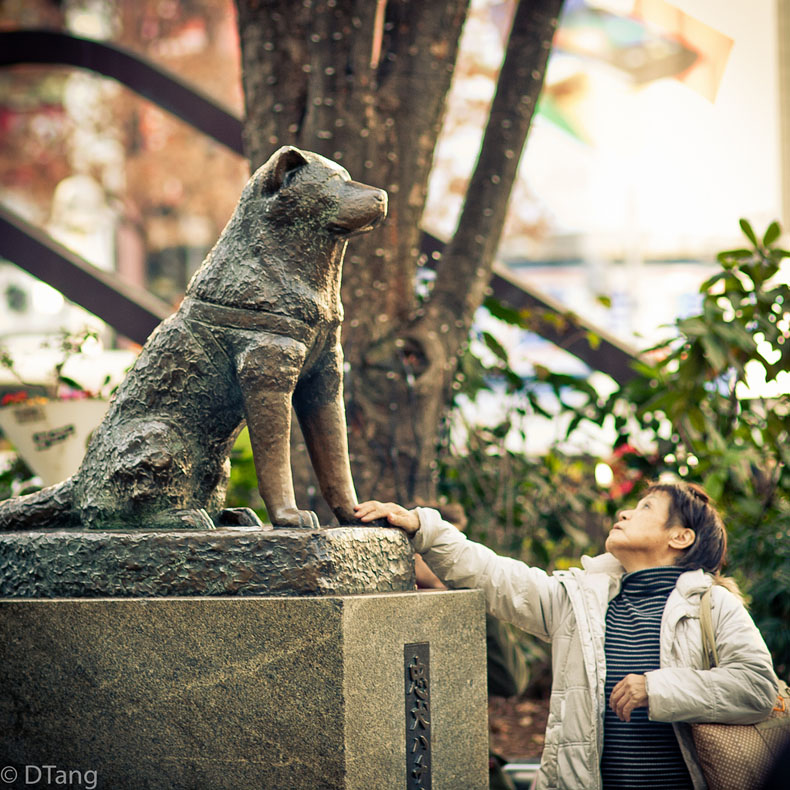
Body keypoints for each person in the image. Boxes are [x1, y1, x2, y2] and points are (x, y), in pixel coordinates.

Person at [355, 481, 780, 790]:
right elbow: (497, 576)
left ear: (681, 537)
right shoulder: (579, 600)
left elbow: (757, 687)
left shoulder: (713, 605)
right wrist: (422, 528)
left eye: (646, 508)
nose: (626, 513)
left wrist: (658, 687)